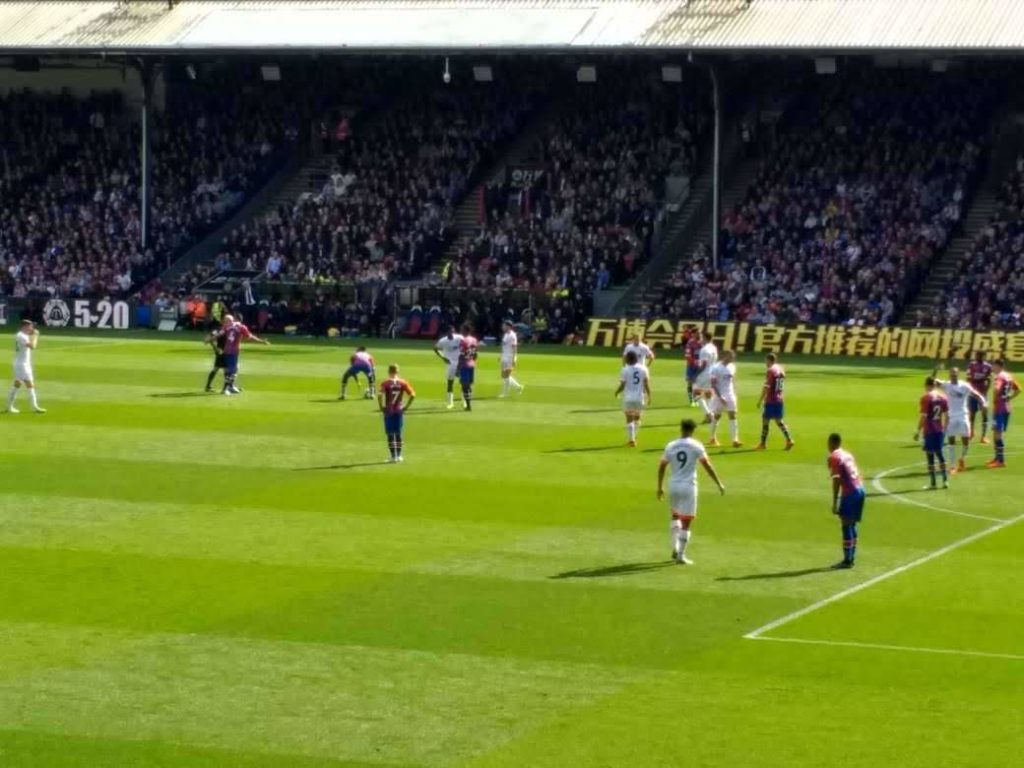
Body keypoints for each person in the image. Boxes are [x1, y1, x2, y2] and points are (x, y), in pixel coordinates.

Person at [656, 418, 725, 565]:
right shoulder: (696, 446)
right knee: (686, 521)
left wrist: (659, 487)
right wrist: (718, 483)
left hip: (673, 485)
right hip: (689, 486)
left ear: (681, 428)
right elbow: (707, 465)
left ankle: (675, 547)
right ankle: (680, 555)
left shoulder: (671, 445)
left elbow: (662, 466)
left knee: (675, 516)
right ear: (693, 430)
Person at [932, 366, 986, 473]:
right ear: (949, 375)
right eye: (951, 374)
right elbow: (932, 380)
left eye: (955, 374)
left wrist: (983, 402)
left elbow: (976, 394)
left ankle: (962, 459)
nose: (953, 376)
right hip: (951, 416)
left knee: (965, 440)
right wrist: (936, 370)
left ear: (958, 374)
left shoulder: (964, 386)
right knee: (951, 440)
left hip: (963, 415)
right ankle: (952, 465)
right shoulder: (946, 385)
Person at [826, 433, 865, 569]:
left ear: (831, 443)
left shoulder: (834, 457)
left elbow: (836, 480)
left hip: (850, 493)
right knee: (852, 524)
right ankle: (851, 558)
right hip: (860, 489)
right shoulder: (847, 454)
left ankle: (847, 560)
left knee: (846, 524)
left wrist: (835, 500)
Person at [219, 313, 270, 396]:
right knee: (232, 370)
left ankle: (231, 386)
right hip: (233, 351)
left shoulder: (226, 326)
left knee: (231, 369)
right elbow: (250, 337)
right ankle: (225, 389)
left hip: (226, 351)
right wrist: (262, 341)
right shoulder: (241, 327)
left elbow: (220, 335)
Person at [914, 377, 949, 489]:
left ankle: (933, 483)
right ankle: (945, 481)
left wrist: (917, 431)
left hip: (929, 430)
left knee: (930, 456)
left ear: (927, 385)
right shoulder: (943, 397)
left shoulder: (926, 398)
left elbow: (924, 416)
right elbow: (947, 415)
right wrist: (945, 429)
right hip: (939, 430)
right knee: (940, 454)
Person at [5, 319, 45, 414]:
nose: (32, 328)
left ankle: (35, 407)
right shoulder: (20, 336)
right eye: (30, 326)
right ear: (25, 326)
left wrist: (33, 335)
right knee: (17, 385)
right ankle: (9, 406)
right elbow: (32, 346)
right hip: (20, 365)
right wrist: (35, 335)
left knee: (30, 385)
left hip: (26, 364)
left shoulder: (24, 335)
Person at [378, 364, 416, 463]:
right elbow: (412, 395)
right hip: (399, 411)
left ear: (389, 371)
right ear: (397, 371)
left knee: (390, 434)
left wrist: (381, 407)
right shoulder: (403, 382)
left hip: (389, 411)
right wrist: (406, 407)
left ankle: (392, 456)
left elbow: (380, 395)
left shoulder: (385, 383)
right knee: (398, 433)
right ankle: (399, 456)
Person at [755, 353, 794, 450]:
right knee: (778, 421)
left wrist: (760, 400)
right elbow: (780, 384)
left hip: (771, 399)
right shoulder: (780, 369)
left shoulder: (770, 370)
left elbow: (766, 387)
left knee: (765, 421)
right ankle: (789, 440)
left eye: (766, 361)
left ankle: (763, 444)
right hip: (779, 398)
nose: (765, 363)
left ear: (769, 360)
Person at [987, 358, 1020, 468]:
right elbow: (1018, 389)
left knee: (997, 434)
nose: (992, 367)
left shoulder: (999, 377)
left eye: (993, 365)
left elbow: (997, 389)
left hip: (1000, 408)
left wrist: (995, 400)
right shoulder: (1008, 376)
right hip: (1006, 408)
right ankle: (997, 458)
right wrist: (1009, 397)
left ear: (998, 366)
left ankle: (1000, 461)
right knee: (996, 433)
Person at [614, 350, 651, 447]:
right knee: (637, 418)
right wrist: (649, 395)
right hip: (639, 398)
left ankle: (632, 439)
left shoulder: (625, 370)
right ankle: (634, 437)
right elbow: (646, 383)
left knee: (629, 418)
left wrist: (617, 392)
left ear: (629, 359)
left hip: (628, 398)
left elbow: (623, 385)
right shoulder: (644, 369)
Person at [708, 350, 741, 448]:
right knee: (717, 416)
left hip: (730, 394)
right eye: (731, 356)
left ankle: (735, 440)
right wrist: (720, 396)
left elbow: (732, 379)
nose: (732, 359)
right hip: (719, 395)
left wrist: (734, 389)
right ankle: (712, 437)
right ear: (725, 356)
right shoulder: (715, 368)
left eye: (733, 357)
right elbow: (713, 384)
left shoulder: (732, 367)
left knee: (733, 415)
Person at [433, 326, 464, 409]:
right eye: (449, 332)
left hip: (460, 363)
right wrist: (443, 357)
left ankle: (464, 401)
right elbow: (435, 348)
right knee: (450, 382)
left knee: (463, 382)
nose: (451, 333)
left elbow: (466, 344)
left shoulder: (459, 338)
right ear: (447, 333)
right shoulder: (443, 341)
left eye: (452, 331)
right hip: (450, 364)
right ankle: (450, 403)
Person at [966, 350, 993, 444]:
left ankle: (983, 436)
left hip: (983, 394)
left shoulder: (988, 366)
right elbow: (968, 378)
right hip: (973, 393)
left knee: (984, 414)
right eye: (977, 355)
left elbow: (989, 379)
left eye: (981, 355)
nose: (978, 357)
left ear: (984, 356)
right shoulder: (971, 365)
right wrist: (982, 378)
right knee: (972, 414)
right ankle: (971, 433)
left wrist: (987, 389)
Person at [693, 331, 718, 421]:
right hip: (713, 373)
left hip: (704, 374)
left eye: (702, 337)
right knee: (708, 394)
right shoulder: (714, 348)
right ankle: (709, 414)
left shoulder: (704, 349)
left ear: (705, 338)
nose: (701, 339)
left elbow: (703, 364)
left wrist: (696, 374)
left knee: (696, 393)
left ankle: (708, 413)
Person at [499, 321, 524, 398]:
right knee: (503, 375)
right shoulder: (506, 334)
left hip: (509, 357)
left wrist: (514, 359)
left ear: (508, 326)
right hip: (504, 356)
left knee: (506, 375)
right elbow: (504, 346)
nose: (502, 327)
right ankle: (519, 387)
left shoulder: (512, 336)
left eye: (504, 325)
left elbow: (514, 348)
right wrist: (501, 355)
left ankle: (505, 393)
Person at [458, 323, 480, 411]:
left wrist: (458, 367)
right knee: (469, 385)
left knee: (464, 386)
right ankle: (469, 403)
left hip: (464, 365)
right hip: (472, 364)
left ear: (464, 330)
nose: (460, 330)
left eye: (461, 329)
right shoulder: (474, 340)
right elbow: (476, 354)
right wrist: (473, 361)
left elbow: (461, 355)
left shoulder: (463, 341)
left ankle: (468, 405)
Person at [203, 326, 228, 393]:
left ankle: (208, 387)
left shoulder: (223, 329)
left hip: (224, 352)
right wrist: (216, 349)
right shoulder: (220, 330)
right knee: (227, 370)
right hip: (222, 353)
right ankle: (226, 389)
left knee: (216, 369)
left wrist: (216, 349)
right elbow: (207, 340)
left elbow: (207, 339)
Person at [683, 327, 702, 406]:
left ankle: (697, 399)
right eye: (698, 333)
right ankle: (692, 400)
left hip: (700, 366)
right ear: (693, 334)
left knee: (699, 383)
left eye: (700, 333)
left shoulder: (703, 343)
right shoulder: (690, 343)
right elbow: (687, 355)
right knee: (690, 383)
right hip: (691, 366)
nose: (699, 334)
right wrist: (695, 362)